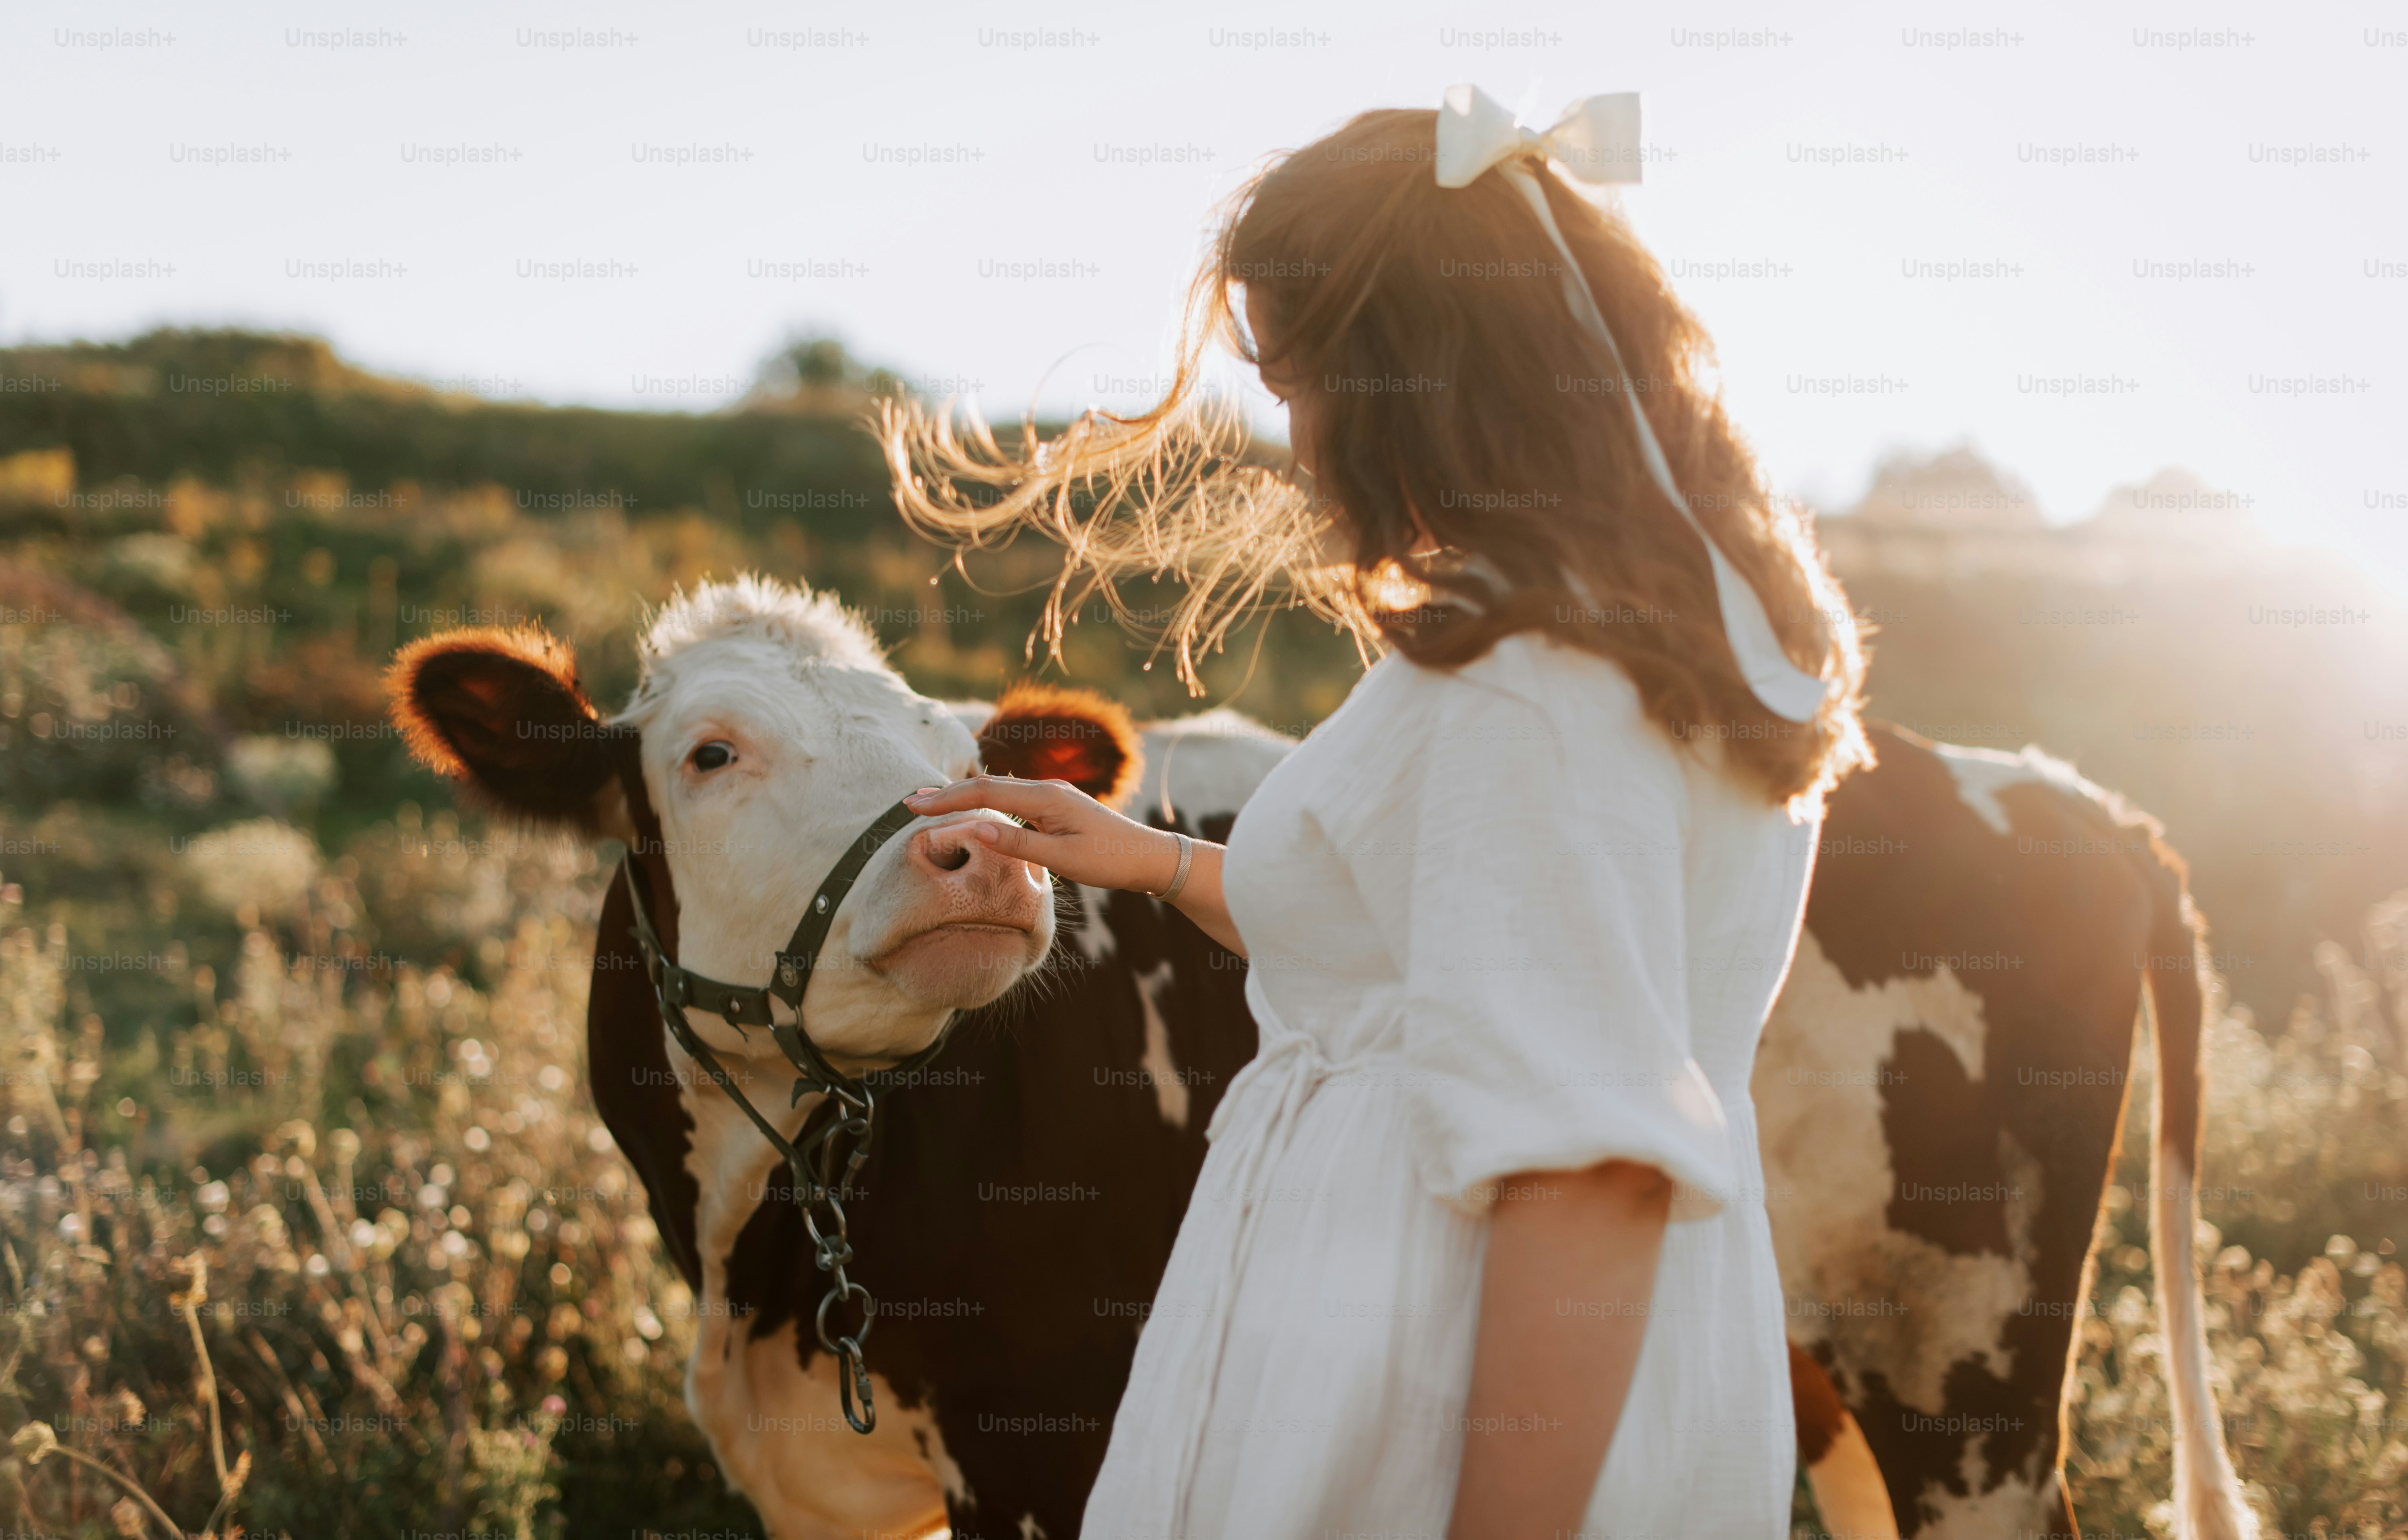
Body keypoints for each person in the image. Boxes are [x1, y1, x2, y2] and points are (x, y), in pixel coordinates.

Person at [887, 85, 1869, 1540]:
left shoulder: (1524, 688)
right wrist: (1159, 862)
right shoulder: (1654, 636)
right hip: (1618, 1369)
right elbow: (1438, 958)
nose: (1291, 434)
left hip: (1420, 1388)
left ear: (1407, 369)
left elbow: (1585, 1172)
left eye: (1292, 377)